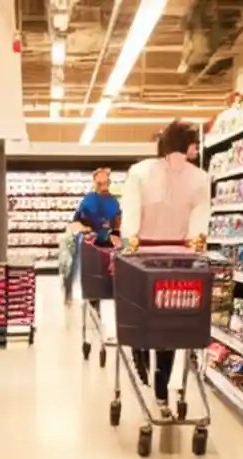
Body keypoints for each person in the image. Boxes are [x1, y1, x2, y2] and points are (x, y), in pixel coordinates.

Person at [118, 120, 211, 412]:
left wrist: (130, 240)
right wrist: (196, 243)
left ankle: (148, 366)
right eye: (194, 142)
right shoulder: (197, 178)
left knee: (150, 321)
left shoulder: (143, 172)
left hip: (145, 260)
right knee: (168, 326)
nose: (197, 147)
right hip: (176, 262)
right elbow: (199, 218)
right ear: (185, 143)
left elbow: (131, 211)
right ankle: (159, 386)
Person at [64, 168, 121, 303]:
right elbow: (77, 221)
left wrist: (116, 233)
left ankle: (99, 296)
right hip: (90, 244)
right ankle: (87, 298)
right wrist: (85, 229)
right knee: (90, 277)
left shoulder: (113, 202)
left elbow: (117, 221)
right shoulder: (89, 200)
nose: (103, 185)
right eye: (100, 182)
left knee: (105, 277)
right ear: (95, 182)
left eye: (105, 182)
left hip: (108, 245)